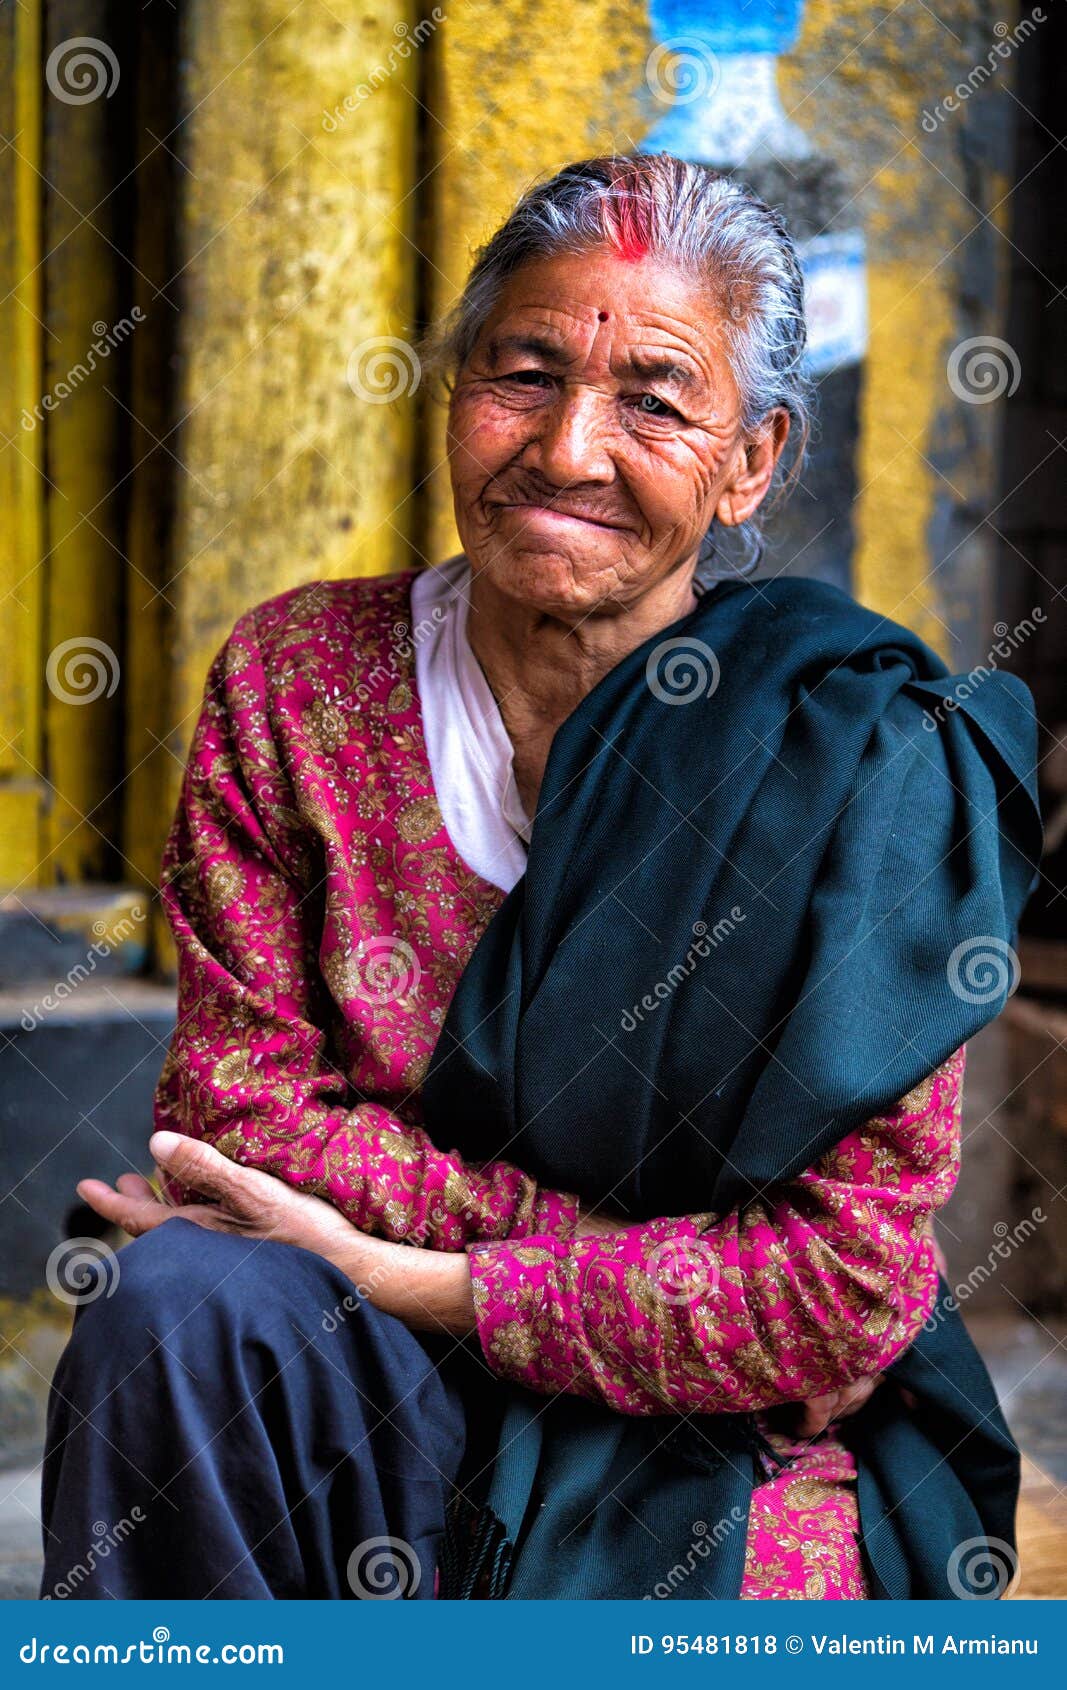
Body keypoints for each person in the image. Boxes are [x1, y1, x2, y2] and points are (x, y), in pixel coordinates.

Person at [41, 153, 1040, 1602]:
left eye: (654, 401)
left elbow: (840, 1290)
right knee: (178, 1303)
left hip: (710, 1435)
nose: (568, 450)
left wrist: (413, 1268)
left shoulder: (860, 762)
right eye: (524, 374)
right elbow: (237, 1123)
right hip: (393, 1354)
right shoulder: (300, 679)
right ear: (455, 391)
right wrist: (660, 1269)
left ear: (752, 461)